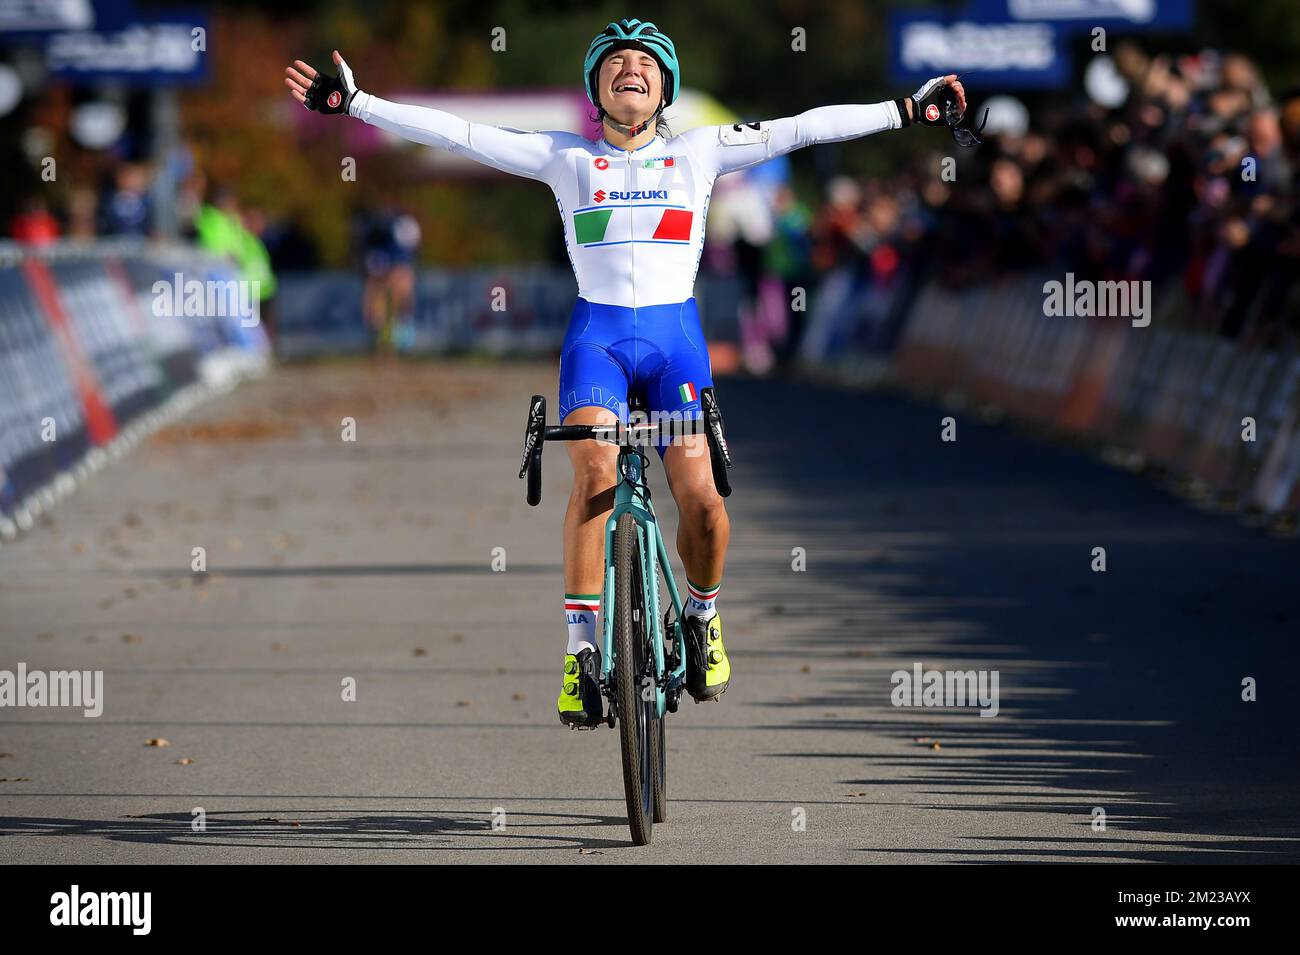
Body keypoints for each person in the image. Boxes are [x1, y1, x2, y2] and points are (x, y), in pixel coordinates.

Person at [285, 18, 965, 726]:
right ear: (596, 89)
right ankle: (582, 654)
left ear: (664, 86)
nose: (631, 68)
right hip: (597, 344)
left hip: (676, 346)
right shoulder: (565, 158)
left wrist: (908, 110)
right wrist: (357, 105)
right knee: (594, 473)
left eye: (646, 61)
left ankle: (701, 617)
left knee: (701, 498)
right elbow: (456, 132)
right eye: (616, 61)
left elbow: (804, 127)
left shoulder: (701, 151)